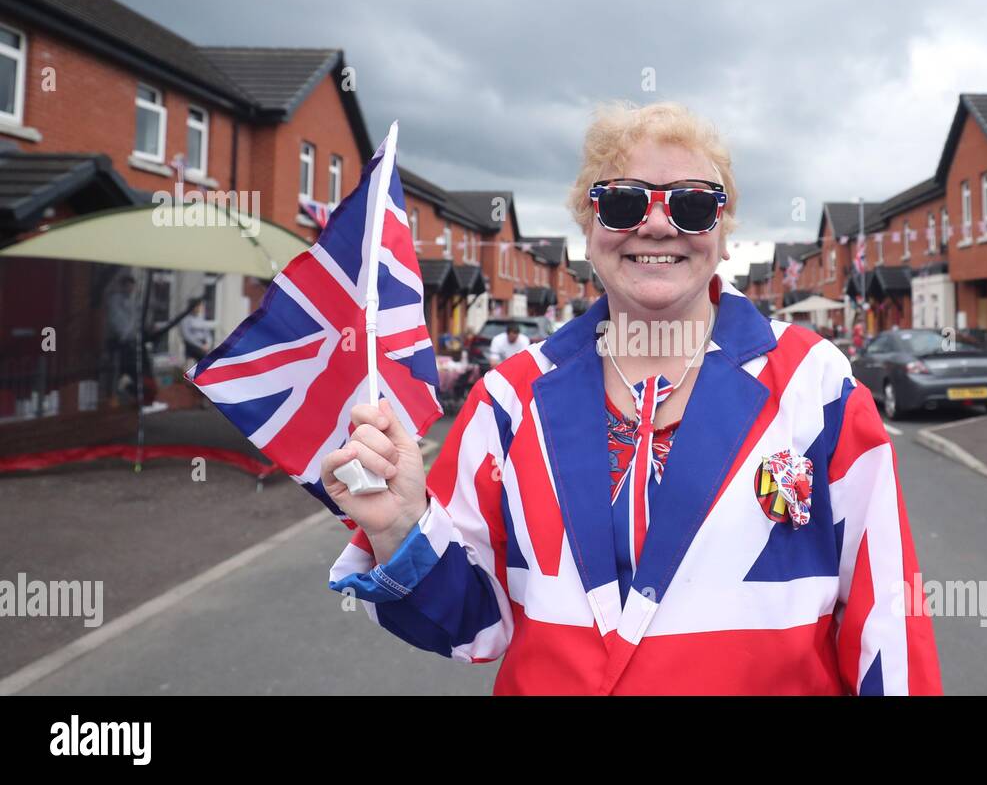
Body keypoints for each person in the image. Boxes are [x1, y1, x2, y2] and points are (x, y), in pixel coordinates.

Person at [322, 101, 941, 695]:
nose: (656, 223)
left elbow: (887, 617)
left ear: (723, 236)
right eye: (622, 201)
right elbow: (473, 625)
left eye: (695, 205)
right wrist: (401, 527)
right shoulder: (508, 401)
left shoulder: (816, 384)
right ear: (588, 230)